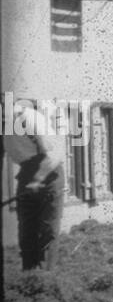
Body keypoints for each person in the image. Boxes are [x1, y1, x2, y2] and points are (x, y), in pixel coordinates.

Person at [3, 99, 66, 272]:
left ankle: (45, 281)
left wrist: (38, 179)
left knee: (46, 231)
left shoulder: (28, 118)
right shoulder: (3, 123)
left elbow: (55, 154)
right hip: (26, 173)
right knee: (26, 231)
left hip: (50, 173)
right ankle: (29, 276)